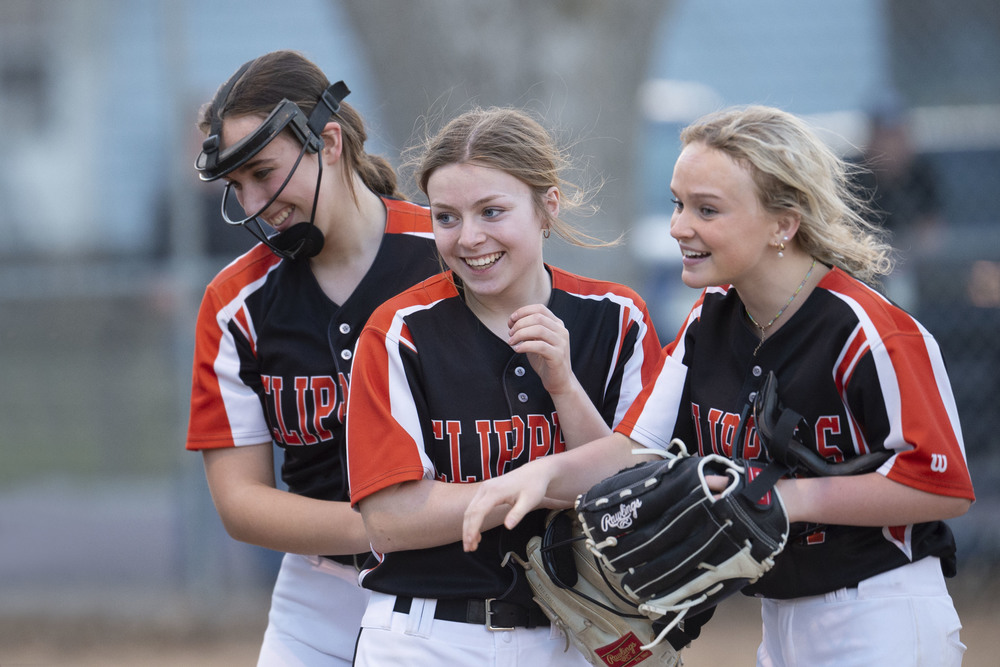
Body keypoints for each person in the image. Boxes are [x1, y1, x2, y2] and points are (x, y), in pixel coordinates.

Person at [462, 105, 975, 666]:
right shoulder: (710, 318)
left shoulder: (868, 332)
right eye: (678, 203)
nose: (679, 227)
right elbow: (633, 451)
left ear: (784, 224)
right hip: (780, 616)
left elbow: (943, 487)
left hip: (880, 609)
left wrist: (785, 496)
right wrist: (540, 475)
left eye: (707, 209)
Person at [344, 107, 663, 665]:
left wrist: (564, 386)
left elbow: (636, 495)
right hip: (426, 637)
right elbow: (390, 522)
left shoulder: (617, 318)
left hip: (575, 635)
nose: (470, 238)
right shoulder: (399, 330)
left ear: (548, 206)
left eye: (492, 211)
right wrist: (532, 486)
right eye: (446, 217)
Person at [184, 50, 442, 666]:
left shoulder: (450, 255)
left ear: (328, 141)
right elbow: (241, 503)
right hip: (320, 596)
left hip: (462, 582)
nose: (253, 203)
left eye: (263, 172)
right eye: (236, 185)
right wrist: (386, 527)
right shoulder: (236, 302)